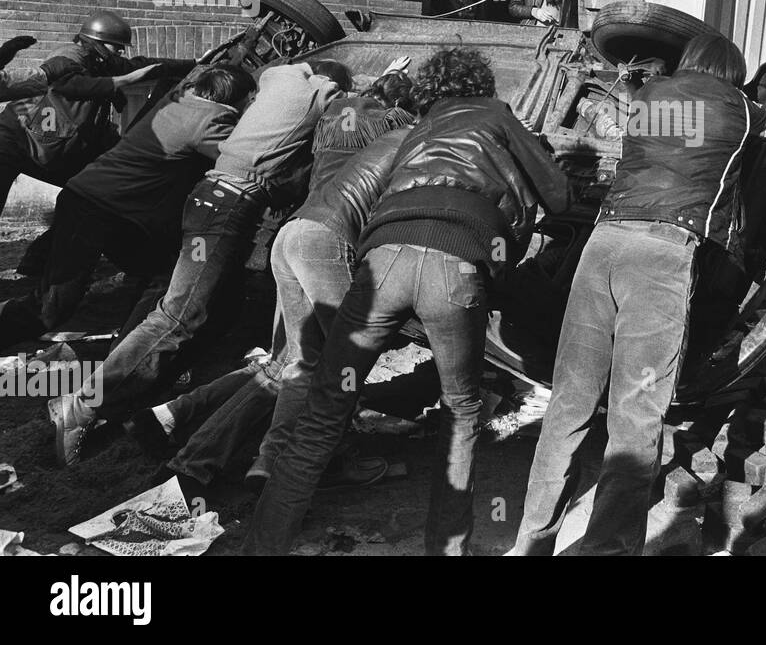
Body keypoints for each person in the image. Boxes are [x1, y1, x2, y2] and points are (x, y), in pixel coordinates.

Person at [244, 47, 571, 556]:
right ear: (481, 86)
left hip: (383, 263)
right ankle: (446, 550)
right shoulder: (494, 114)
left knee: (326, 405)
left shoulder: (415, 130)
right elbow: (561, 196)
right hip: (455, 267)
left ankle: (261, 548)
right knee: (461, 409)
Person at [511, 33, 766, 556]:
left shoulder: (649, 96)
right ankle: (608, 551)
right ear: (731, 74)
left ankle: (532, 542)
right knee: (636, 415)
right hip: (660, 258)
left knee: (569, 403)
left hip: (602, 244)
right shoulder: (739, 108)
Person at [48, 60, 347, 465]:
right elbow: (346, 114)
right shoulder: (323, 92)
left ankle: (143, 404)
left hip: (209, 200)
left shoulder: (278, 77)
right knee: (178, 315)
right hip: (226, 211)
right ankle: (82, 405)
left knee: (218, 312)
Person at [135, 72, 419, 492]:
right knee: (338, 362)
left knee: (289, 363)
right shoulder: (396, 126)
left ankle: (194, 444)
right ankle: (319, 460)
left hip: (293, 233)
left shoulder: (333, 116)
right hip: (329, 241)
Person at [39, 65, 257, 333]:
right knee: (51, 308)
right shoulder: (211, 121)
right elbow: (244, 161)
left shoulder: (180, 98)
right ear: (237, 98)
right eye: (250, 98)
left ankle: (130, 348)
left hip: (100, 205)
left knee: (163, 273)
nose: (252, 103)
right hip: (95, 208)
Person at [0, 11, 195, 214]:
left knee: (94, 189)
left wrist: (193, 64)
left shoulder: (103, 62)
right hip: (14, 140)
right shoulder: (69, 54)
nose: (121, 50)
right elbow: (69, 84)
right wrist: (121, 82)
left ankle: (65, 231)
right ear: (97, 42)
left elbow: (143, 65)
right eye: (116, 45)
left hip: (56, 147)